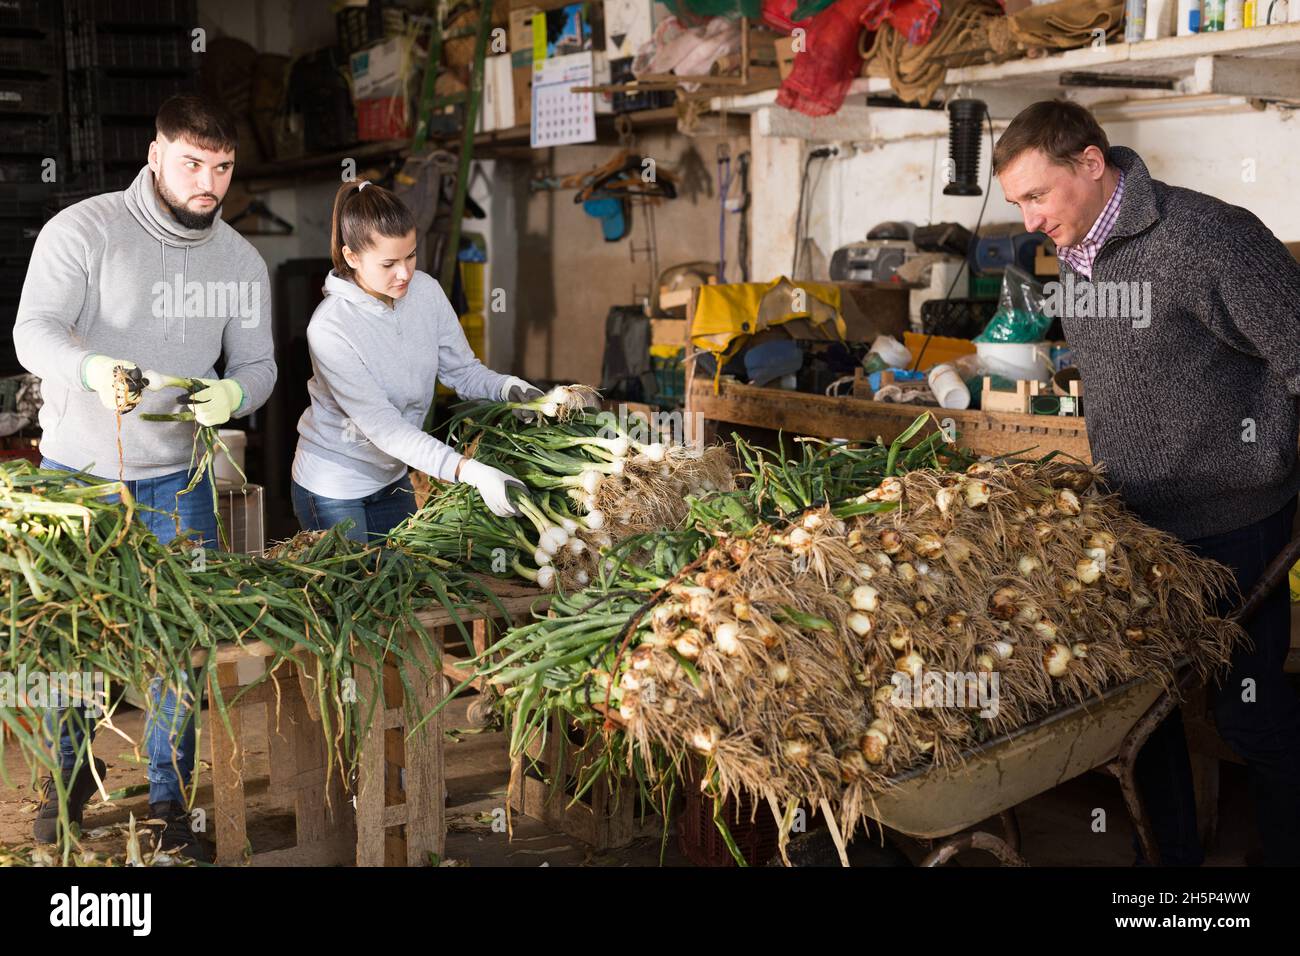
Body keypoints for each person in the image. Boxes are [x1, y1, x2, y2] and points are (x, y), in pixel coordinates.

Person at [993, 99, 1300, 866]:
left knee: (1250, 717)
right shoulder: (1074, 250)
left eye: (1037, 195)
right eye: (1016, 203)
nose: (1029, 219)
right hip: (1137, 526)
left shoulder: (1208, 237)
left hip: (1239, 521)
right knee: (1141, 714)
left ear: (1091, 164)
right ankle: (1171, 880)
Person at [12, 94, 277, 859]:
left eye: (222, 168)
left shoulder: (239, 261)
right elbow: (33, 332)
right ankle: (63, 786)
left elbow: (258, 365)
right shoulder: (84, 230)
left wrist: (235, 395)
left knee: (179, 645)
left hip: (181, 479)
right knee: (68, 641)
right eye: (192, 163)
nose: (208, 183)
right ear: (156, 155)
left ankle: (169, 800)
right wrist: (93, 368)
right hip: (78, 477)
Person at [290, 180, 539, 542]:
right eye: (389, 263)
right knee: (354, 592)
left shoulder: (425, 291)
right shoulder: (330, 328)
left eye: (410, 255)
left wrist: (508, 388)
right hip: (333, 486)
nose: (404, 273)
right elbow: (385, 428)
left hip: (392, 477)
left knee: (405, 587)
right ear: (352, 257)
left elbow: (462, 371)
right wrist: (471, 472)